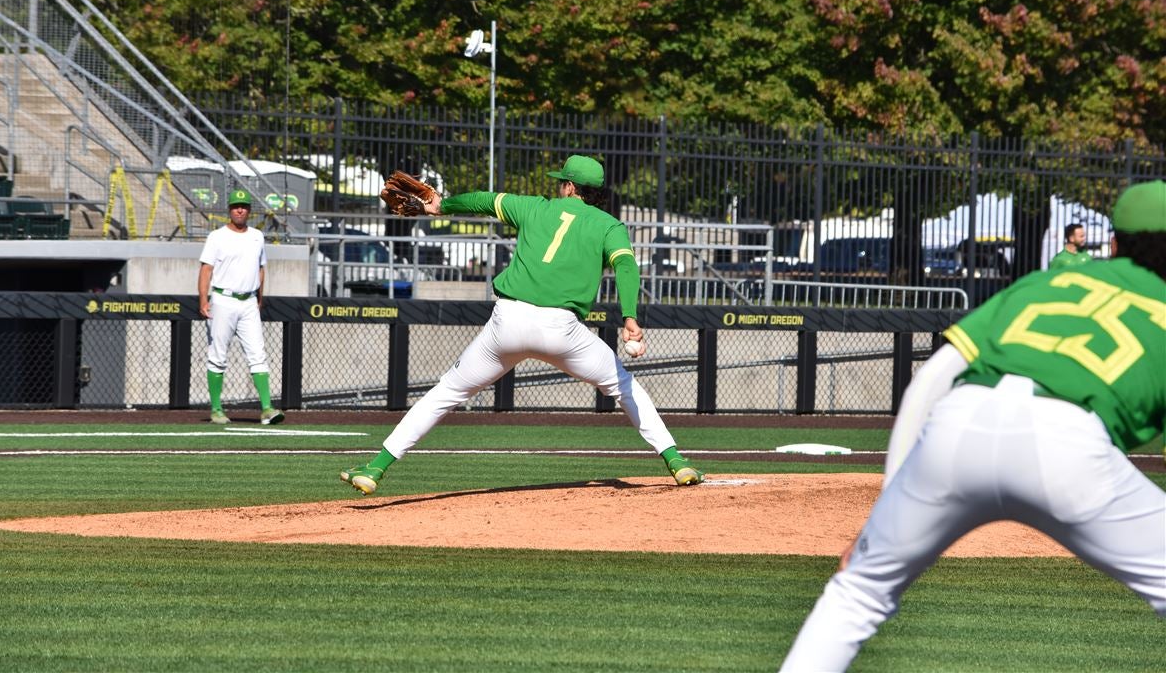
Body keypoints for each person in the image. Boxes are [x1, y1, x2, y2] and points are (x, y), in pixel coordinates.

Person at [780, 179, 1166, 672]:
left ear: (1113, 242)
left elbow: (936, 374)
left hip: (959, 424)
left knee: (858, 591)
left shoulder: (1046, 283)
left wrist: (886, 511)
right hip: (1068, 445)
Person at [340, 155, 703, 494]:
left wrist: (442, 206)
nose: (559, 186)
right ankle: (676, 461)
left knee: (446, 392)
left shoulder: (534, 206)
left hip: (508, 323)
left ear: (570, 187)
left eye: (562, 182)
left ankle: (375, 468)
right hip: (562, 331)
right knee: (624, 387)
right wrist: (630, 317)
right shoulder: (609, 225)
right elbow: (626, 266)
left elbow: (483, 200)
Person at [197, 188, 284, 426]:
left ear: (249, 211)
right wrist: (203, 299)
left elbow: (261, 268)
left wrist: (260, 297)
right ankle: (216, 410)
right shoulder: (217, 236)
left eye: (244, 207)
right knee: (217, 356)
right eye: (236, 206)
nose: (240, 210)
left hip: (248, 301)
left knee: (258, 354)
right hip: (223, 299)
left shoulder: (257, 236)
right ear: (229, 210)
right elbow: (206, 269)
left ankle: (267, 409)